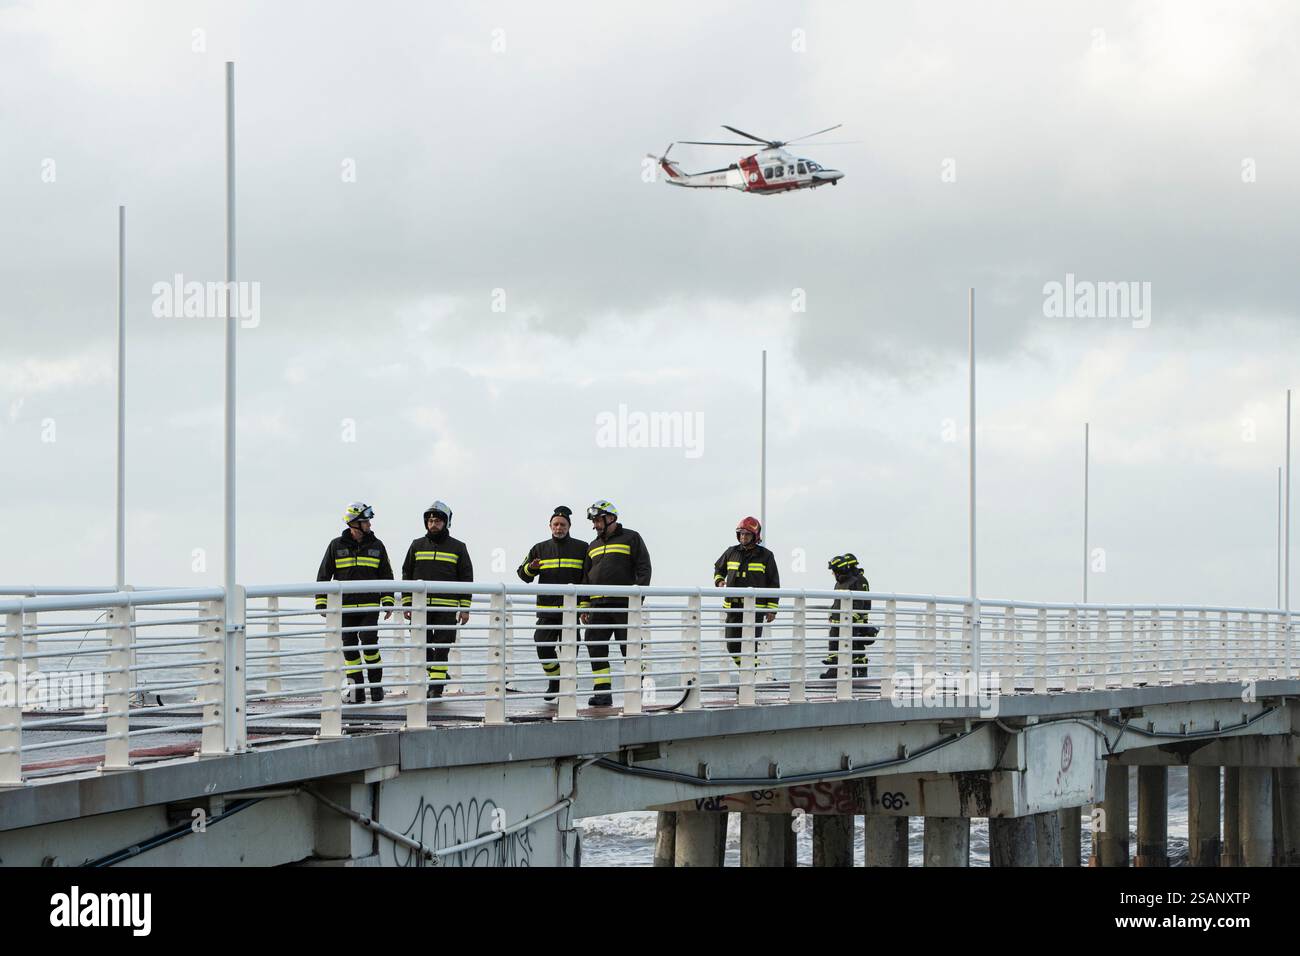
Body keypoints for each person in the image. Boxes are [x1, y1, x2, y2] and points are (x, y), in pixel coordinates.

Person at [315, 502, 395, 704]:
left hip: (369, 606)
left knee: (369, 643)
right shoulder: (336, 545)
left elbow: (386, 574)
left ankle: (376, 688)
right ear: (354, 523)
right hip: (346, 608)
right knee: (350, 650)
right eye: (365, 521)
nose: (369, 524)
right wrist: (321, 602)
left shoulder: (377, 545)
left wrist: (388, 600)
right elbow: (324, 574)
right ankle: (357, 692)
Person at [578, 500, 652, 707]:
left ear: (611, 518)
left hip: (624, 605)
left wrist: (637, 599)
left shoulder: (631, 538)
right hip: (598, 606)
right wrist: (584, 605)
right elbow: (586, 577)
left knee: (630, 648)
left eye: (598, 519)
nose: (595, 524)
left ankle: (636, 689)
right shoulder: (592, 546)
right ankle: (602, 693)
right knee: (595, 646)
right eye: (593, 521)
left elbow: (644, 569)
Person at [400, 501, 473, 699]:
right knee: (420, 644)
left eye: (438, 521)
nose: (433, 524)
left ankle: (435, 688)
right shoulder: (416, 545)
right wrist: (407, 603)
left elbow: (467, 579)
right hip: (419, 607)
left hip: (446, 607)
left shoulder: (458, 547)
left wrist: (465, 608)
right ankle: (438, 675)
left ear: (446, 523)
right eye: (430, 520)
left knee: (442, 646)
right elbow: (406, 574)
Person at [517, 505, 587, 702]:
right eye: (555, 524)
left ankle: (569, 684)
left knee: (570, 651)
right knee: (542, 645)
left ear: (569, 526)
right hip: (547, 611)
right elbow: (523, 575)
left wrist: (584, 607)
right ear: (550, 526)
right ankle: (555, 680)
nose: (559, 528)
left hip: (571, 611)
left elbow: (587, 579)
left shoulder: (582, 548)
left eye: (563, 524)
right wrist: (531, 568)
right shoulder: (539, 548)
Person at [712, 516, 779, 667]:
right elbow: (718, 568)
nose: (743, 537)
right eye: (741, 533)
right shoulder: (731, 552)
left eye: (747, 534)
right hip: (732, 608)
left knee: (749, 646)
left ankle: (748, 679)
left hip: (755, 609)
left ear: (755, 536)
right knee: (732, 646)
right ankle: (749, 670)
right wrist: (719, 580)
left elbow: (773, 583)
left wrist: (772, 609)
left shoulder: (766, 556)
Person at [821, 553, 877, 679]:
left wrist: (853, 619)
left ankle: (858, 674)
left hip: (854, 621)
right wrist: (833, 614)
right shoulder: (840, 583)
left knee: (856, 647)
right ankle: (835, 670)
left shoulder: (858, 581)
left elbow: (861, 603)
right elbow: (837, 602)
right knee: (836, 644)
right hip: (840, 621)